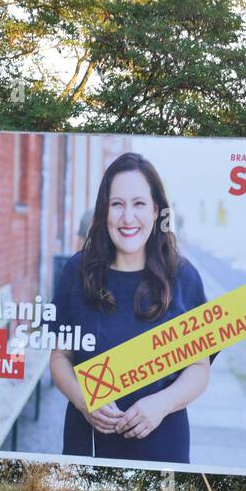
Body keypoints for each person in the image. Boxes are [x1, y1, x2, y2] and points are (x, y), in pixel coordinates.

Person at [49, 152, 212, 463]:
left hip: (163, 444)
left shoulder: (183, 277)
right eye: (117, 204)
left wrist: (162, 404)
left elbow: (199, 369)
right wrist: (83, 400)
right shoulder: (77, 271)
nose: (127, 218)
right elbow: (59, 358)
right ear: (104, 211)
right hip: (88, 444)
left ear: (155, 211)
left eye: (138, 204)